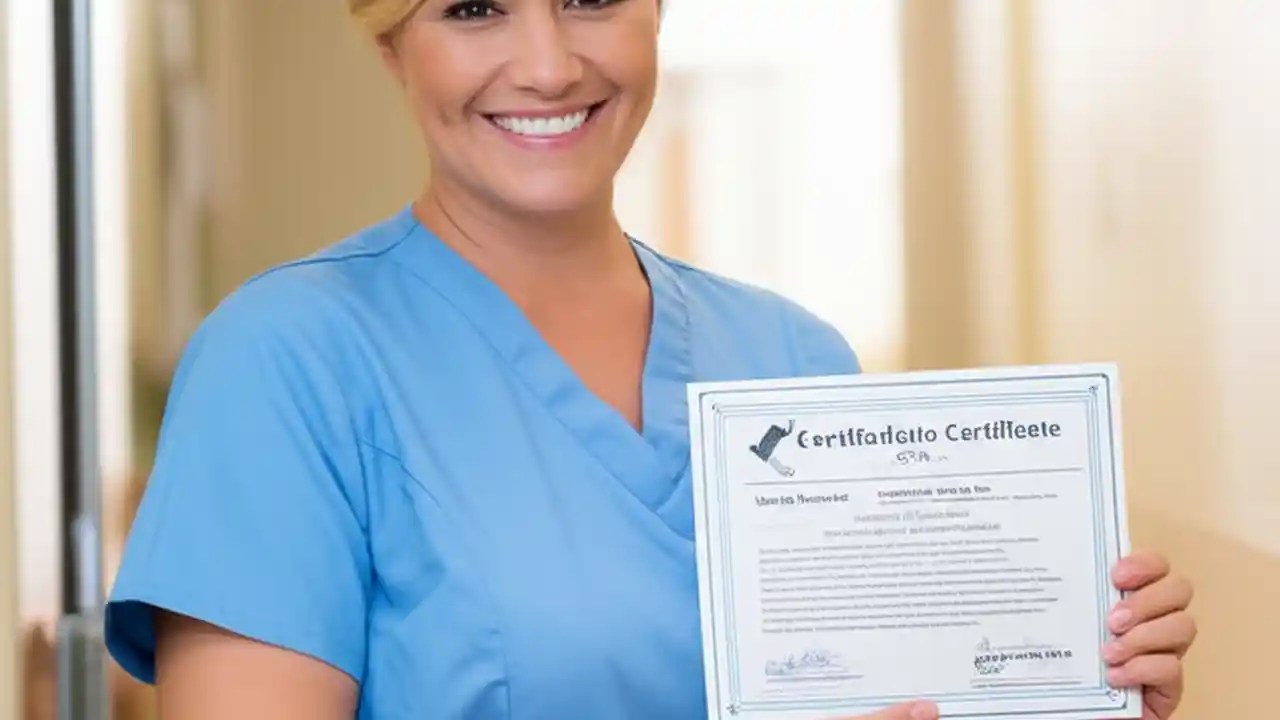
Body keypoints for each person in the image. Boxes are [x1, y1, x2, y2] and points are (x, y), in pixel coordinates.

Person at [102, 1, 1198, 718]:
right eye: (474, 9)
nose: (545, 63)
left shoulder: (792, 359)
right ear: (391, 43)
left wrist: (1070, 680)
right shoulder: (287, 361)